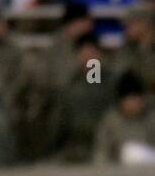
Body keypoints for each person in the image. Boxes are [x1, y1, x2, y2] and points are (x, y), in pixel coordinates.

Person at [49, 32, 117, 163]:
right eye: (84, 53)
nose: (88, 57)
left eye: (92, 53)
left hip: (105, 144)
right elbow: (61, 120)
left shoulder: (111, 83)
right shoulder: (71, 85)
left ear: (99, 54)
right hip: (75, 146)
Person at [92, 70, 155, 164]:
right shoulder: (111, 121)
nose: (131, 103)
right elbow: (101, 153)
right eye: (127, 99)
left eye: (134, 98)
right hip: (118, 173)